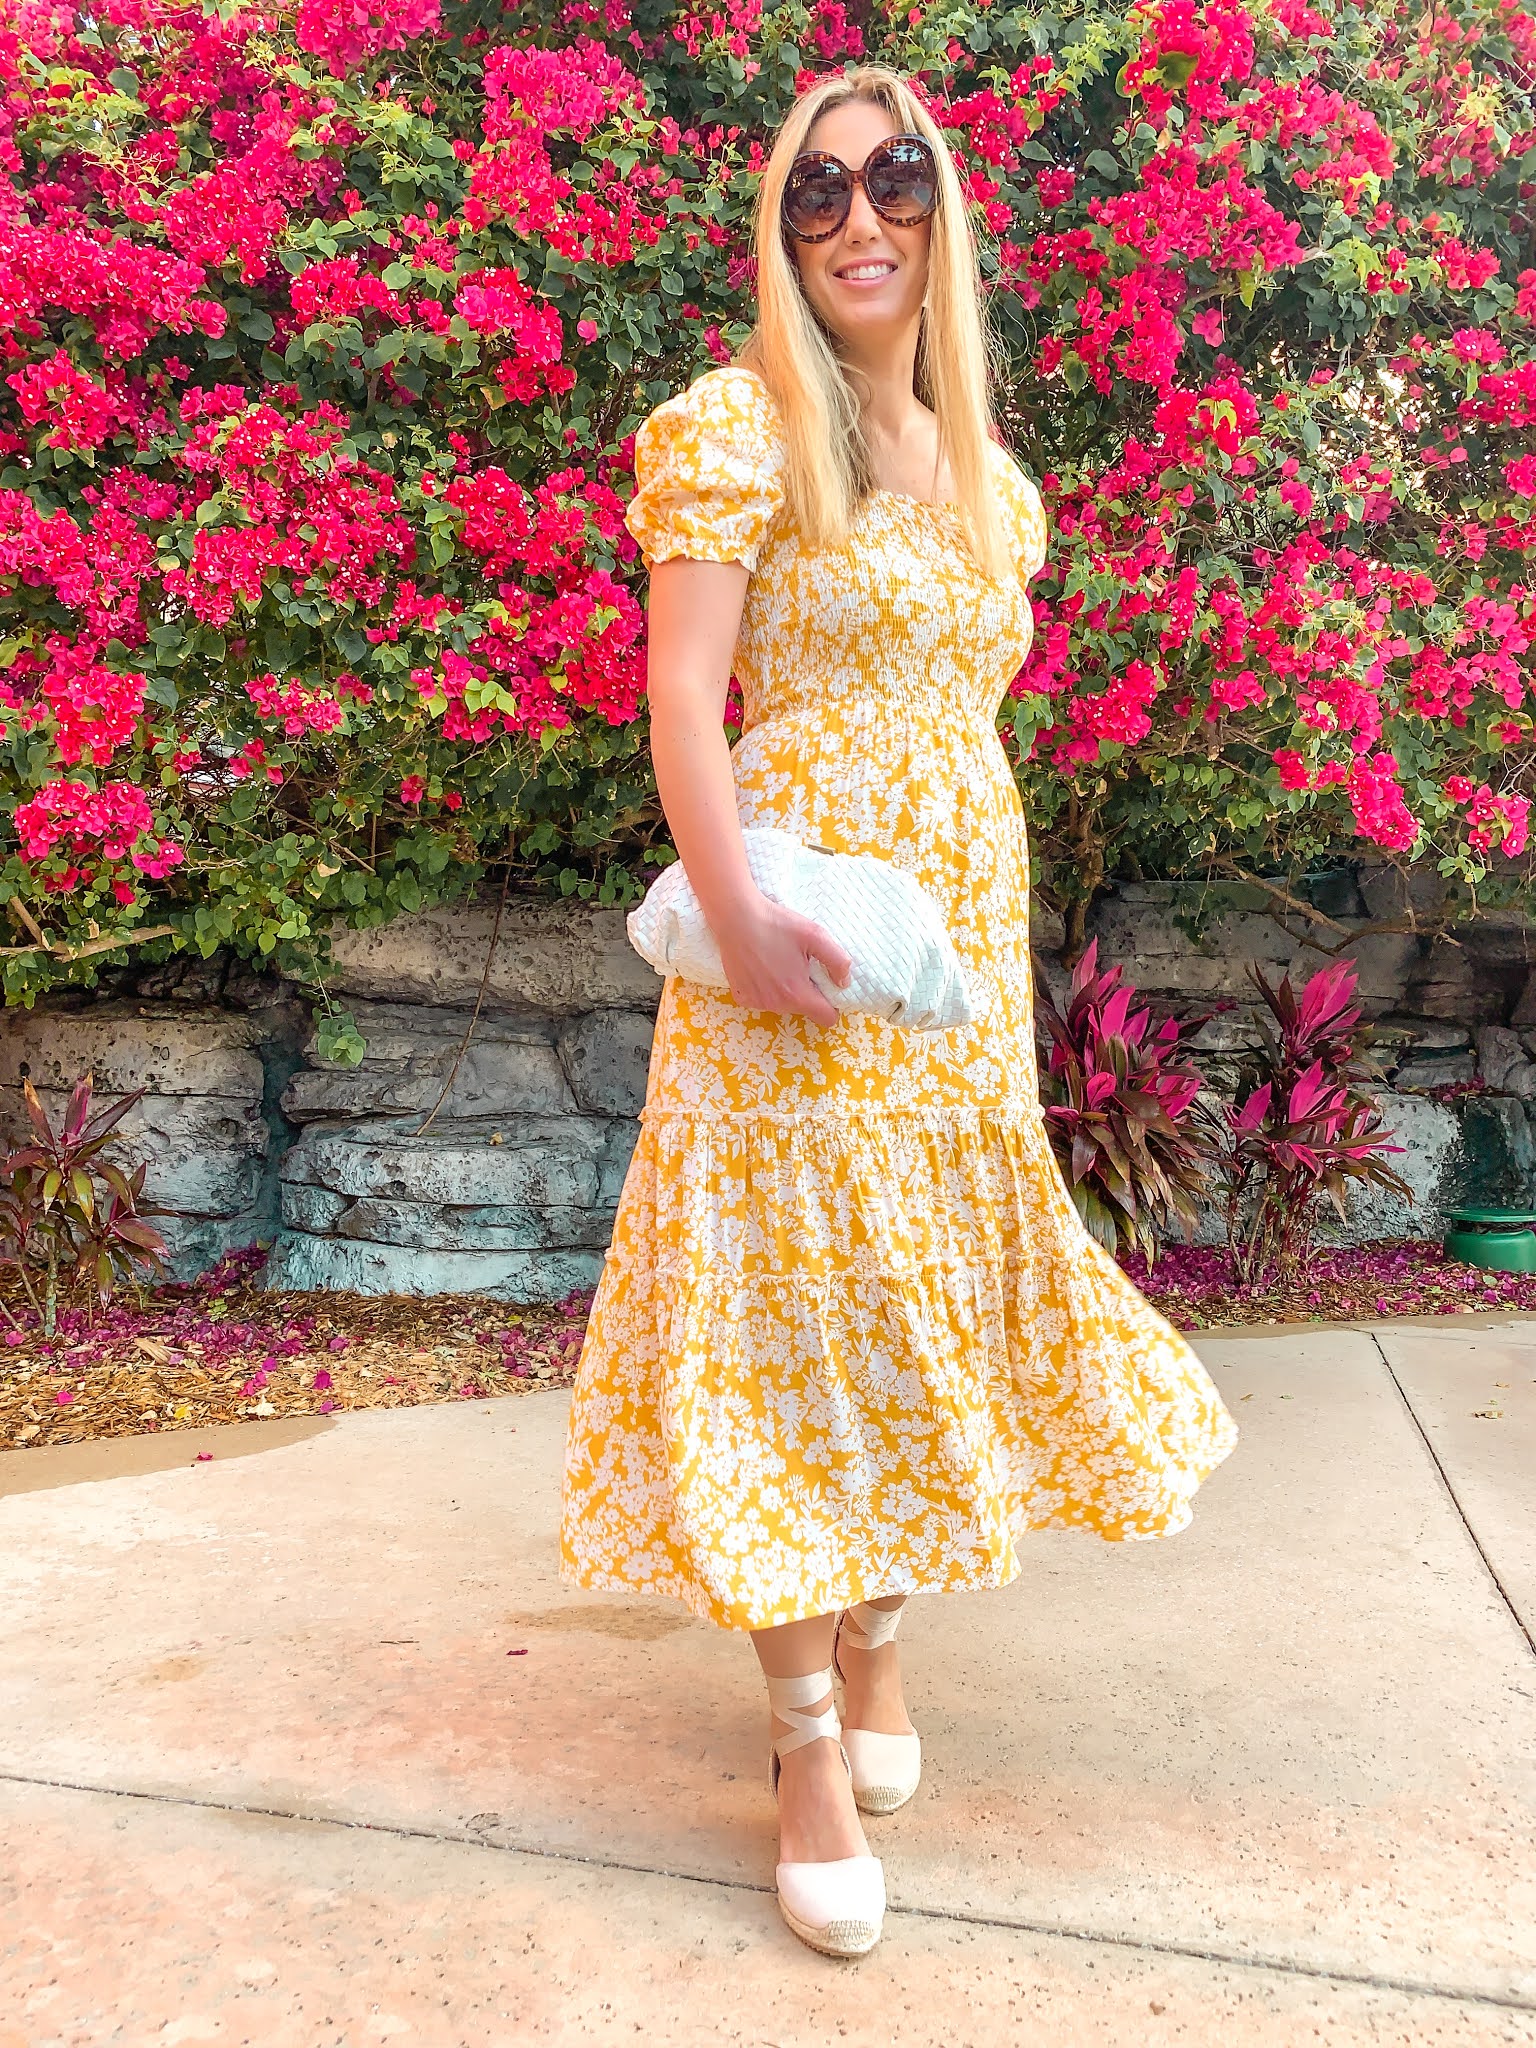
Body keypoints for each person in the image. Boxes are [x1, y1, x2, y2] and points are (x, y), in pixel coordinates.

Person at [559, 62, 1239, 1960]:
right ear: (783, 235)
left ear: (942, 212)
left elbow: (964, 734)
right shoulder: (734, 430)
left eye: (898, 179)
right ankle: (797, 1743)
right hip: (797, 948)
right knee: (786, 1308)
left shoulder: (992, 479)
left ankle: (874, 1649)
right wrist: (755, 916)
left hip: (948, 960)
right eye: (819, 194)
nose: (861, 218)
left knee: (915, 1288)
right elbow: (685, 702)